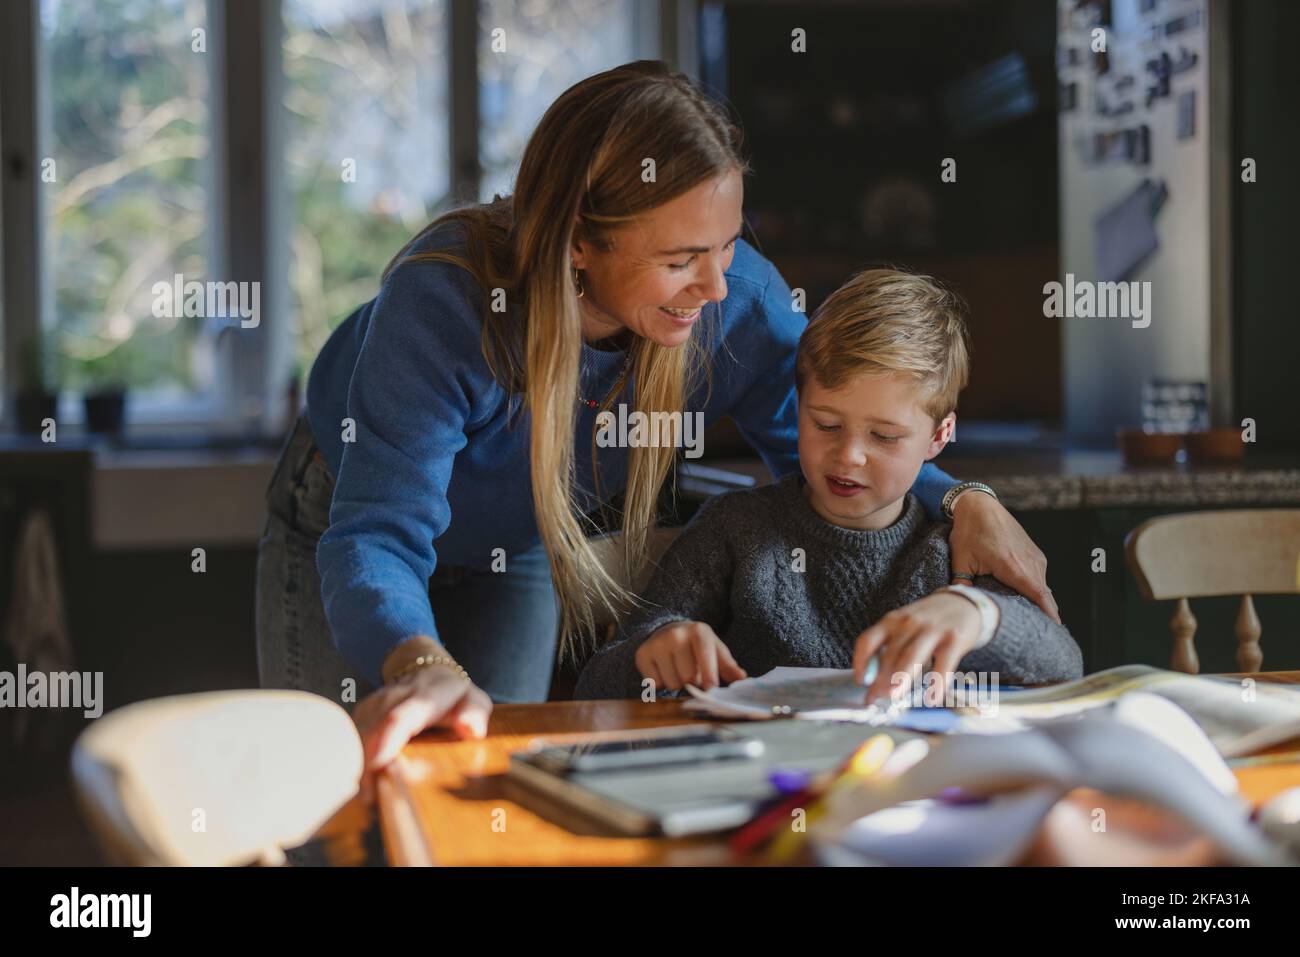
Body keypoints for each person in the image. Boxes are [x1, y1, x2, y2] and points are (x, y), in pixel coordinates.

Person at [255, 61, 1060, 800]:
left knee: (491, 784)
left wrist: (963, 501)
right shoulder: (445, 305)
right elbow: (379, 534)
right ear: (578, 241)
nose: (715, 284)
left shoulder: (733, 297)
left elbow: (834, 443)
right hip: (349, 519)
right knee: (341, 804)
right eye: (681, 259)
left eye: (730, 243)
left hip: (522, 532)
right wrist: (420, 661)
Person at [574, 268, 1082, 702]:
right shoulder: (736, 529)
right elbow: (597, 683)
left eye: (884, 436)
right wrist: (652, 653)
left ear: (938, 436)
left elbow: (1064, 664)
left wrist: (976, 612)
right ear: (797, 409)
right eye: (826, 425)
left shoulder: (954, 551)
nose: (849, 455)